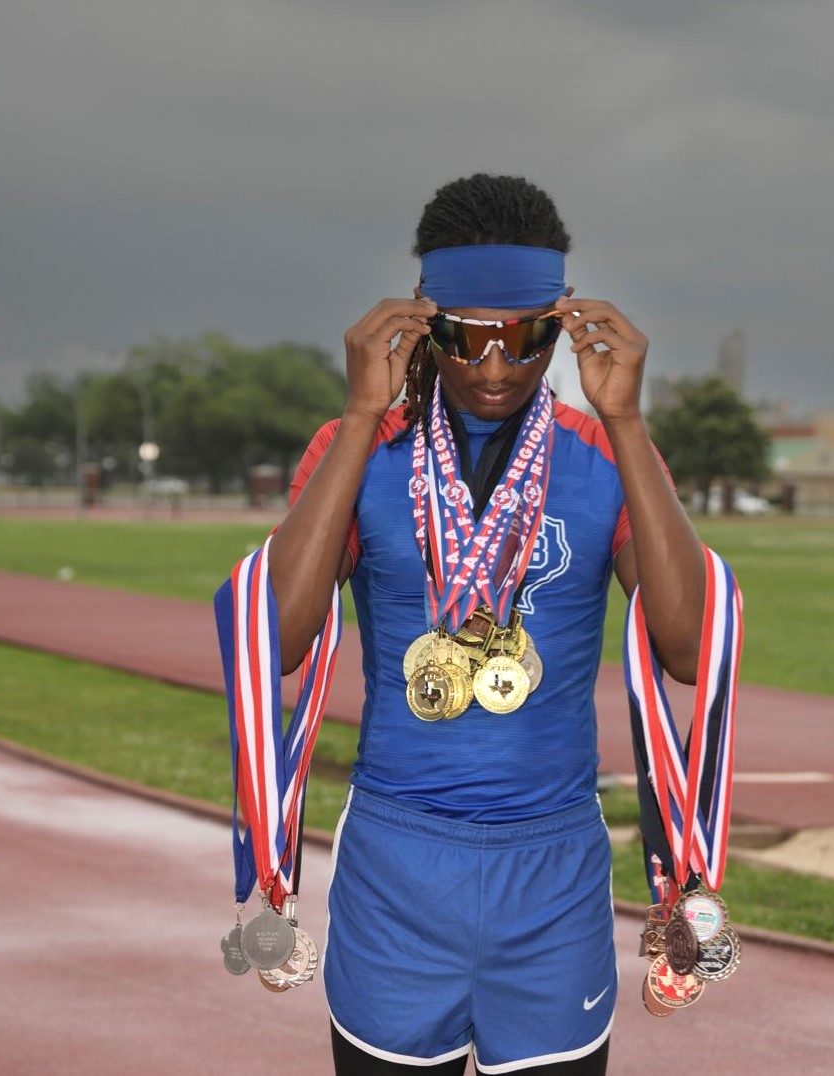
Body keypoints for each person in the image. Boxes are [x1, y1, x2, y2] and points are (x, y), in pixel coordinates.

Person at [268, 174, 708, 1075]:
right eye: (467, 337)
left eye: (528, 337)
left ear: (562, 323)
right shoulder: (360, 448)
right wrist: (358, 416)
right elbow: (276, 638)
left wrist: (624, 420)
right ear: (423, 320)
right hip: (396, 861)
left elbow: (689, 647)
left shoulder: (605, 455)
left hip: (552, 873)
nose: (497, 367)